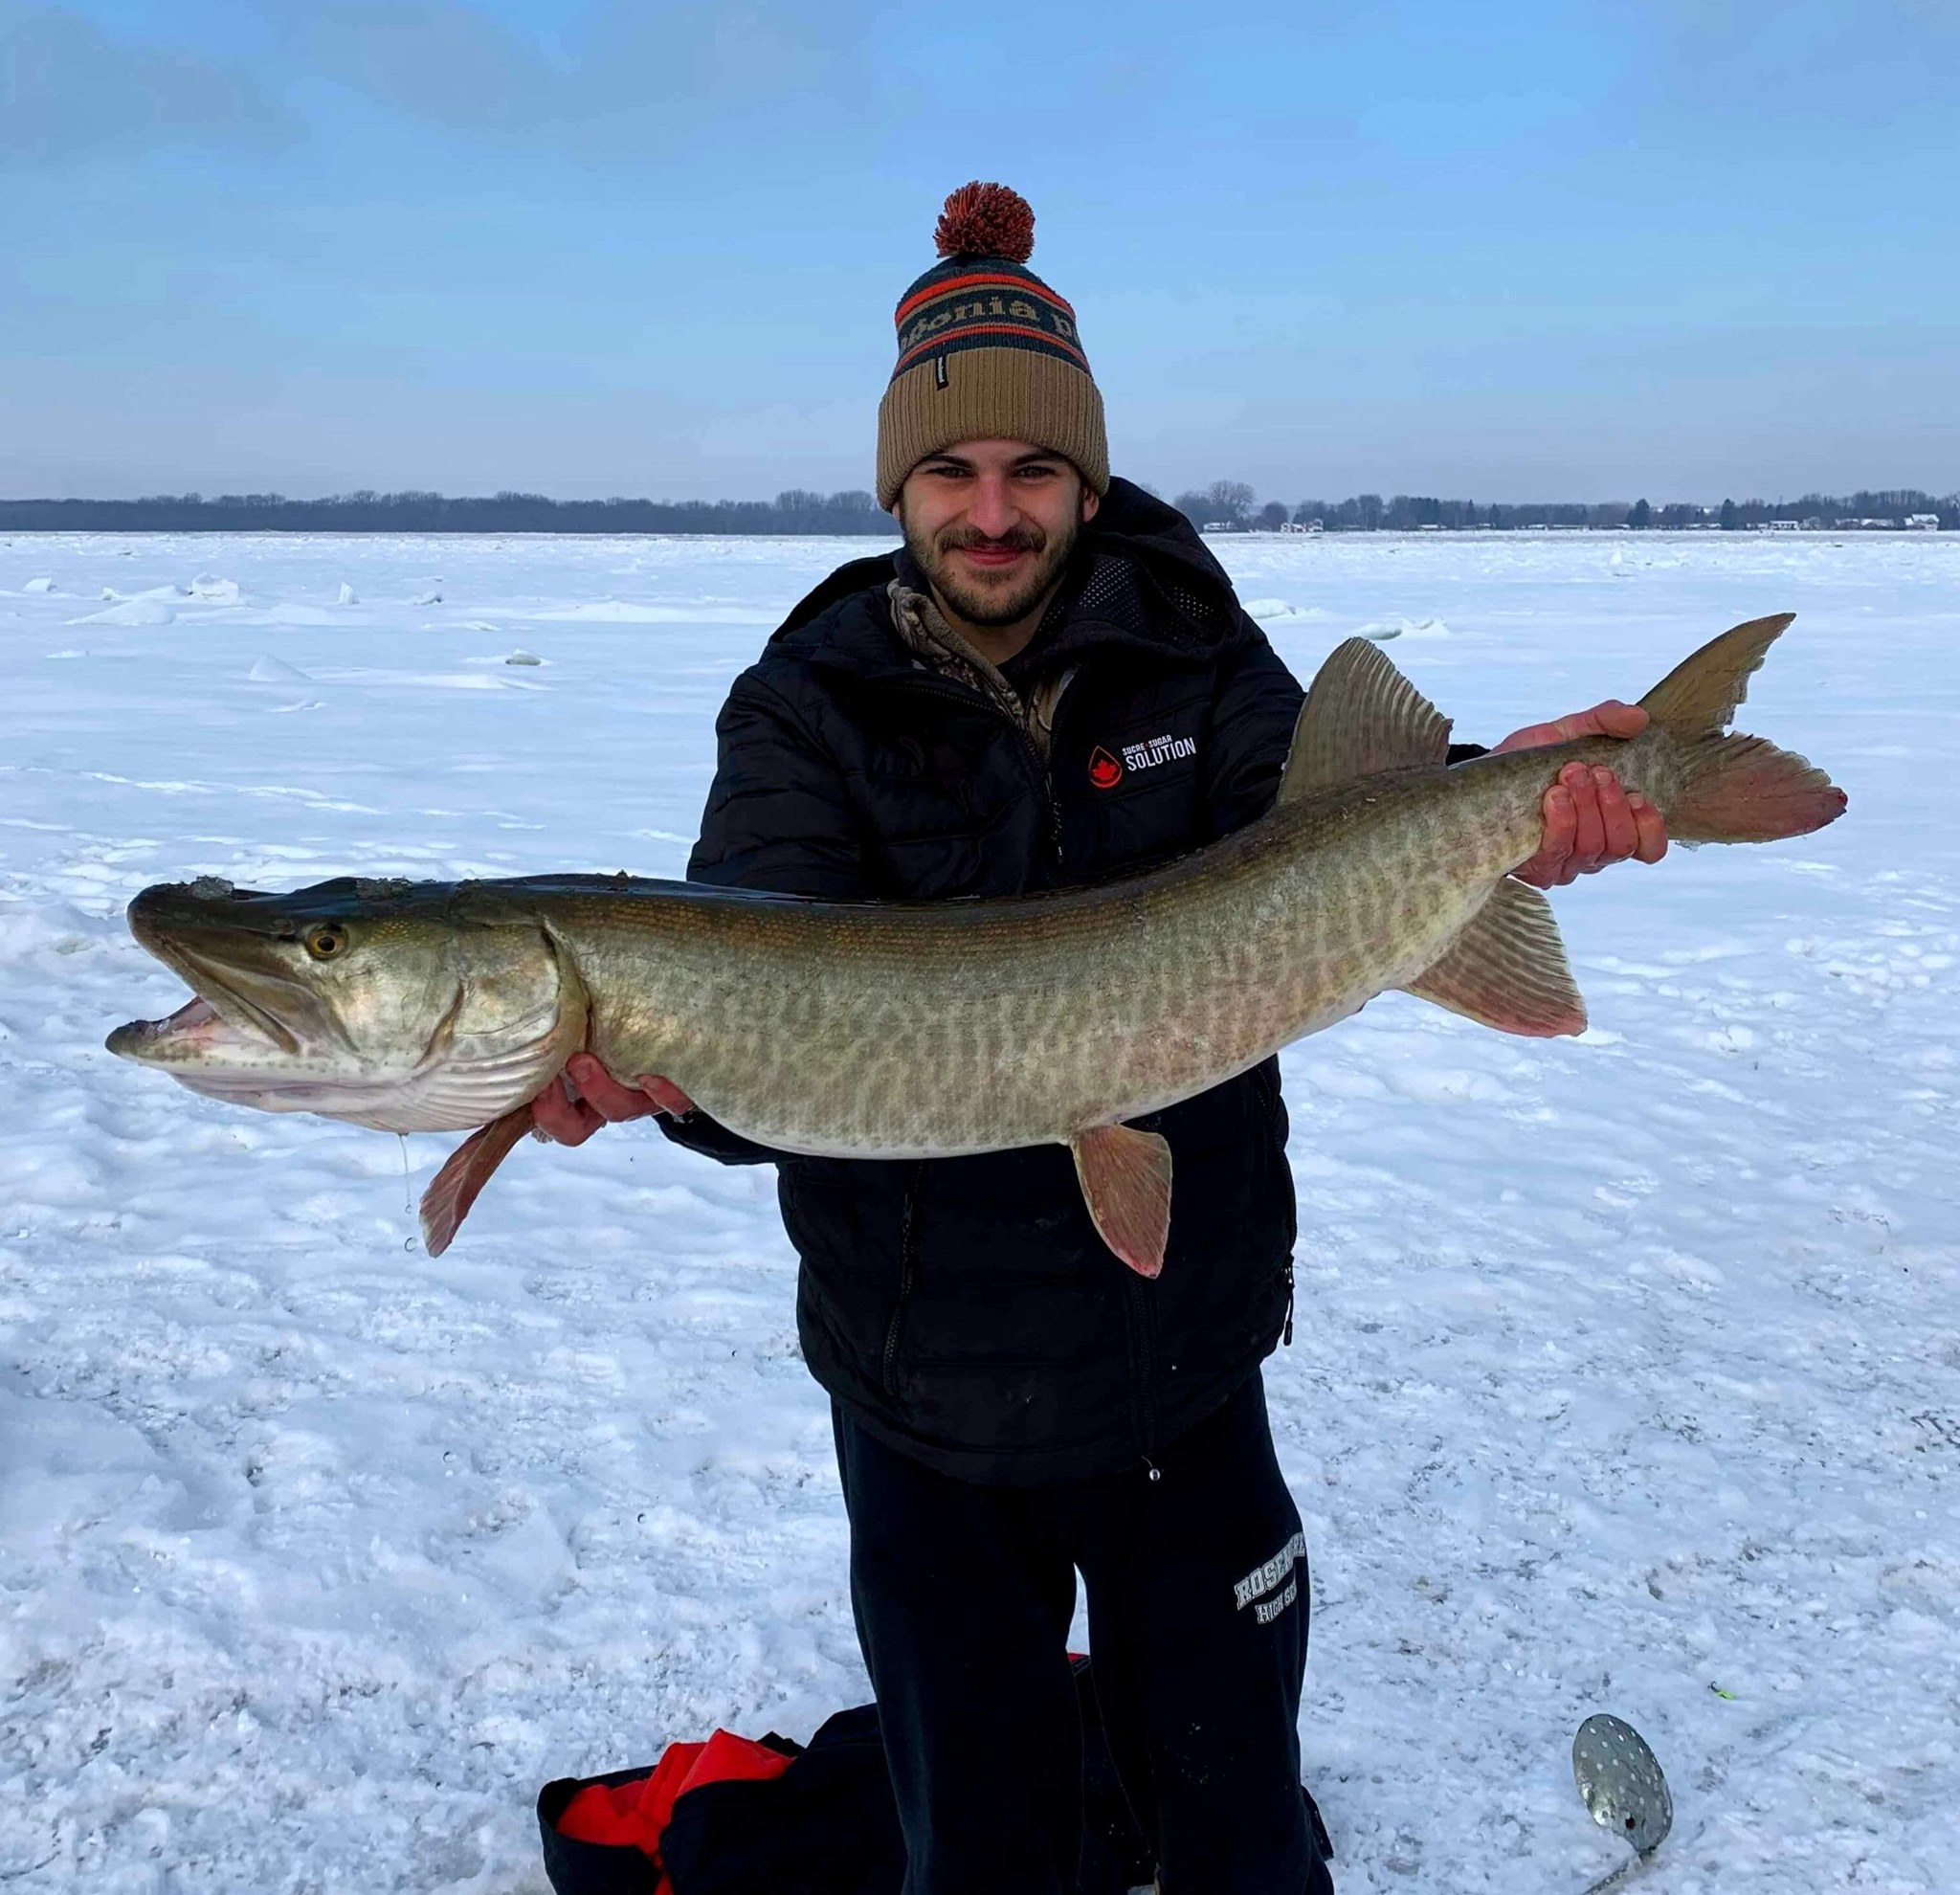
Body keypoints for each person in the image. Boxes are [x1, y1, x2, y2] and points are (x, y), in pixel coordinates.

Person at [533, 183, 1666, 1895]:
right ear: (899, 486)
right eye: (951, 476)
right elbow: (752, 1002)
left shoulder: (1192, 651)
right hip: (925, 1399)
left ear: (1086, 480)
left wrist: (1503, 804)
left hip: (1182, 1357)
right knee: (977, 1852)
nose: (993, 514)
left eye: (1033, 474)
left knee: (1234, 1832)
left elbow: (1335, 825)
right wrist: (664, 1093)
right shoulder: (805, 705)